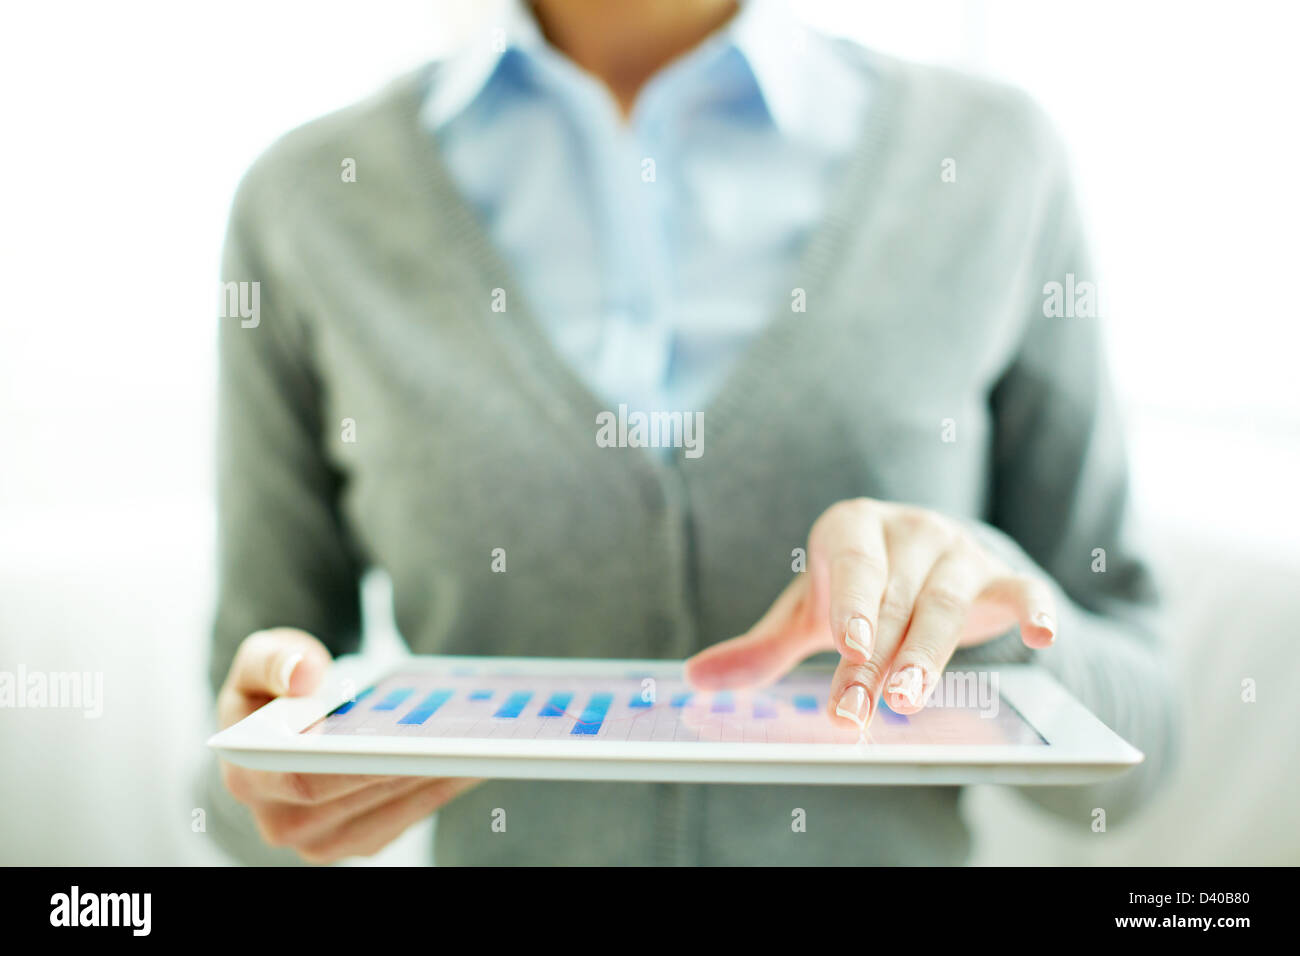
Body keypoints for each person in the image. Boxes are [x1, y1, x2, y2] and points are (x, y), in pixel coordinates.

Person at [206, 0, 1175, 865]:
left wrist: (981, 621)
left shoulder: (992, 158)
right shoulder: (306, 201)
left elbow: (1144, 746)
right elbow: (232, 785)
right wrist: (271, 776)